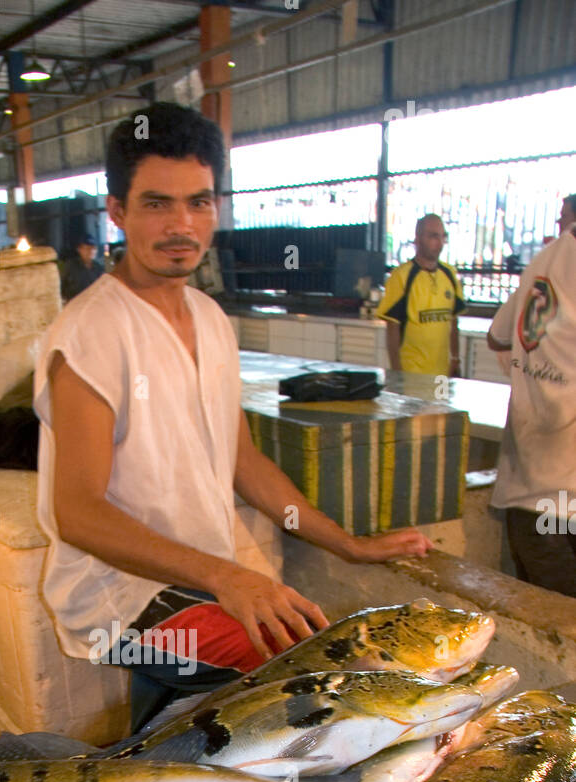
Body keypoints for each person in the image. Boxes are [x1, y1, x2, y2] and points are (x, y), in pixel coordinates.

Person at [34, 103, 432, 730]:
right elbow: (77, 512)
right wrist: (229, 576)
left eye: (199, 202)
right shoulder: (91, 332)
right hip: (118, 600)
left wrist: (348, 545)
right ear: (118, 213)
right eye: (157, 204)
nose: (181, 225)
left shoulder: (212, 321)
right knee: (299, 670)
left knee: (185, 722)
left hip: (195, 581)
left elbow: (243, 460)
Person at [487, 221, 576, 596]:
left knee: (545, 635)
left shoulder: (544, 259)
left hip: (529, 499)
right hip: (565, 494)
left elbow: (497, 336)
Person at [377, 215, 465, 375]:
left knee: (442, 400)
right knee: (416, 401)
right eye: (433, 236)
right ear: (418, 239)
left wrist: (456, 359)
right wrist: (398, 375)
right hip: (413, 374)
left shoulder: (450, 274)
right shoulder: (401, 277)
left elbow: (453, 322)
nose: (439, 242)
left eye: (442, 236)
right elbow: (393, 330)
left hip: (441, 376)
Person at [59, 234, 104, 301]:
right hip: (75, 305)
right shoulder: (70, 266)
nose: (91, 251)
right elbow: (61, 287)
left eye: (93, 248)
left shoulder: (99, 268)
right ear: (79, 249)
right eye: (87, 248)